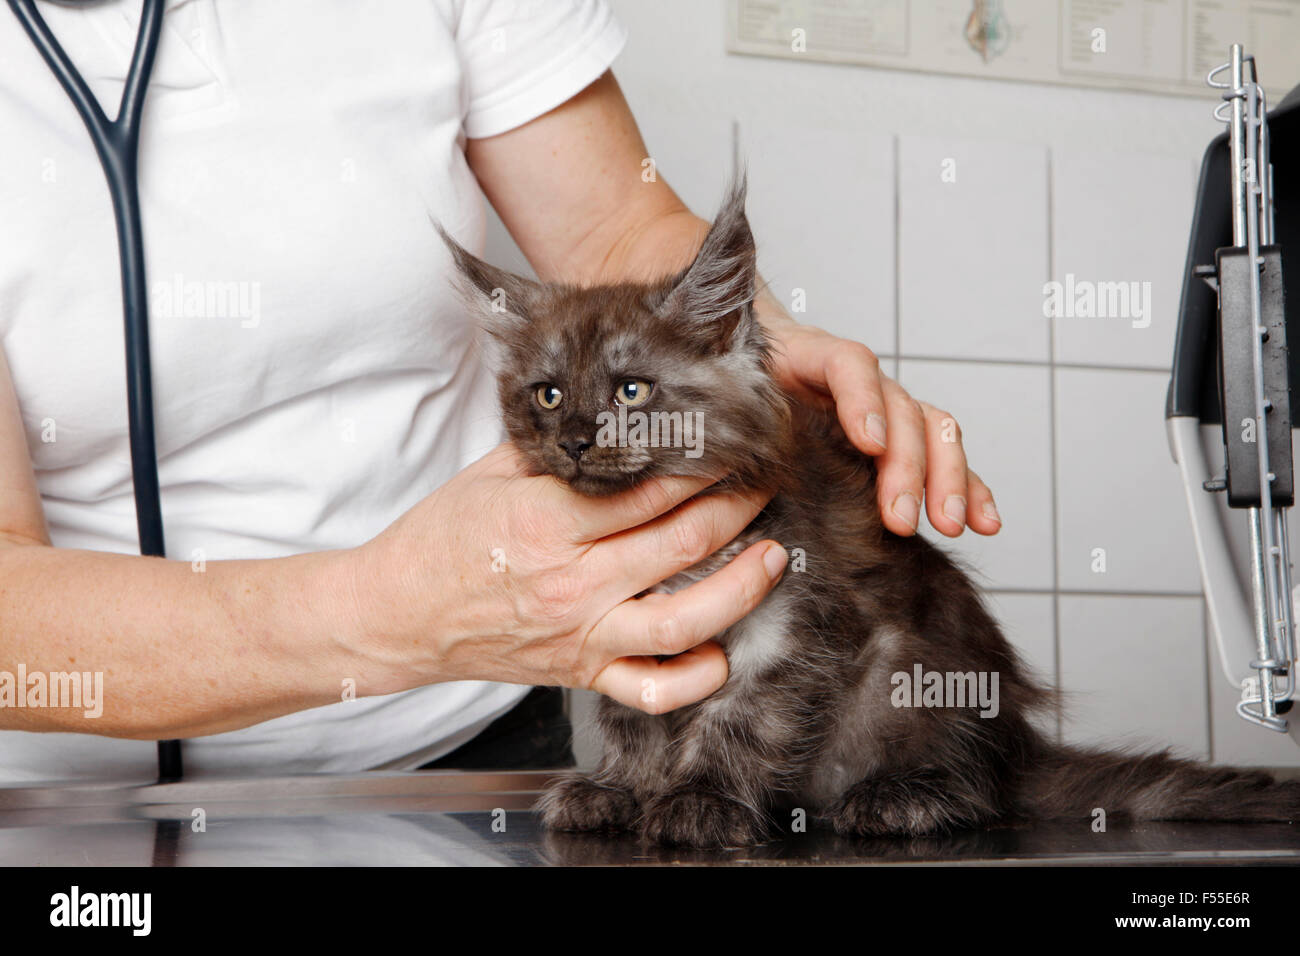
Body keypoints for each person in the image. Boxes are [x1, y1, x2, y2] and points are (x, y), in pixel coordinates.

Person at [0, 0, 1000, 783]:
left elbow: (614, 230)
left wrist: (745, 346)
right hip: (71, 790)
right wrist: (384, 610)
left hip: (469, 736)